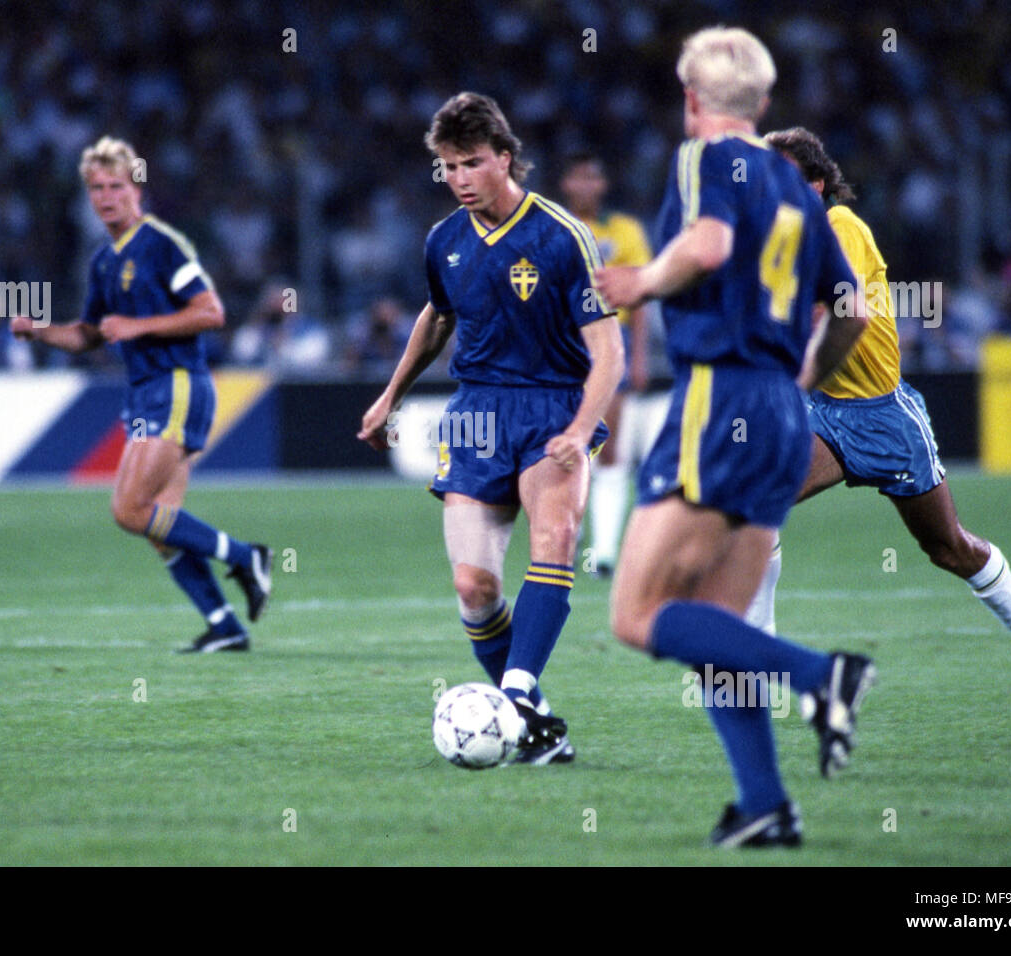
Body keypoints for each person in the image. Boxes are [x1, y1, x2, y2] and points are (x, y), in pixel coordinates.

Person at [597, 27, 874, 847]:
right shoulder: (795, 187)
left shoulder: (706, 160)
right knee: (724, 629)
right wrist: (804, 382)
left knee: (638, 615)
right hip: (784, 412)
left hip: (718, 400)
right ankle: (765, 805)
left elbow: (709, 244)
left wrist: (642, 281)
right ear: (761, 102)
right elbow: (852, 308)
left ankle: (823, 676)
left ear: (692, 100)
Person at [746, 126, 1011, 711]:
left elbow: (841, 310)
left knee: (948, 548)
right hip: (825, 414)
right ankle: (764, 674)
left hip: (884, 416)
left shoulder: (840, 226)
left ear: (815, 185)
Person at [358, 92, 624, 764]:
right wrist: (391, 394)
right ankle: (530, 723)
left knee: (556, 536)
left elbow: (609, 350)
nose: (459, 178)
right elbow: (437, 316)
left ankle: (517, 691)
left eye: (472, 163)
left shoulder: (562, 236)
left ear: (505, 158)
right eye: (448, 166)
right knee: (474, 588)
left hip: (553, 405)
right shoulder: (444, 241)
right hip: (477, 412)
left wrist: (583, 427)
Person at [11, 136, 272, 653]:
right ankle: (225, 625)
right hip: (145, 393)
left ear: (136, 189)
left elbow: (211, 312)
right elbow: (89, 335)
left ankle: (245, 556)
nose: (106, 197)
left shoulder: (163, 244)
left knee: (128, 509)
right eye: (96, 189)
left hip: (177, 385)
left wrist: (138, 326)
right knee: (159, 526)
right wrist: (40, 331)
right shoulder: (103, 262)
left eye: (115, 186)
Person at [558, 152, 654, 578]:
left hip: (611, 345)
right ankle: (565, 532)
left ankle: (605, 551)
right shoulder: (553, 227)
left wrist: (639, 358)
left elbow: (641, 295)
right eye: (578, 177)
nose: (585, 185)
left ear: (603, 184)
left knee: (609, 447)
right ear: (565, 184)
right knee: (563, 443)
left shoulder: (625, 230)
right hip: (563, 347)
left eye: (593, 176)